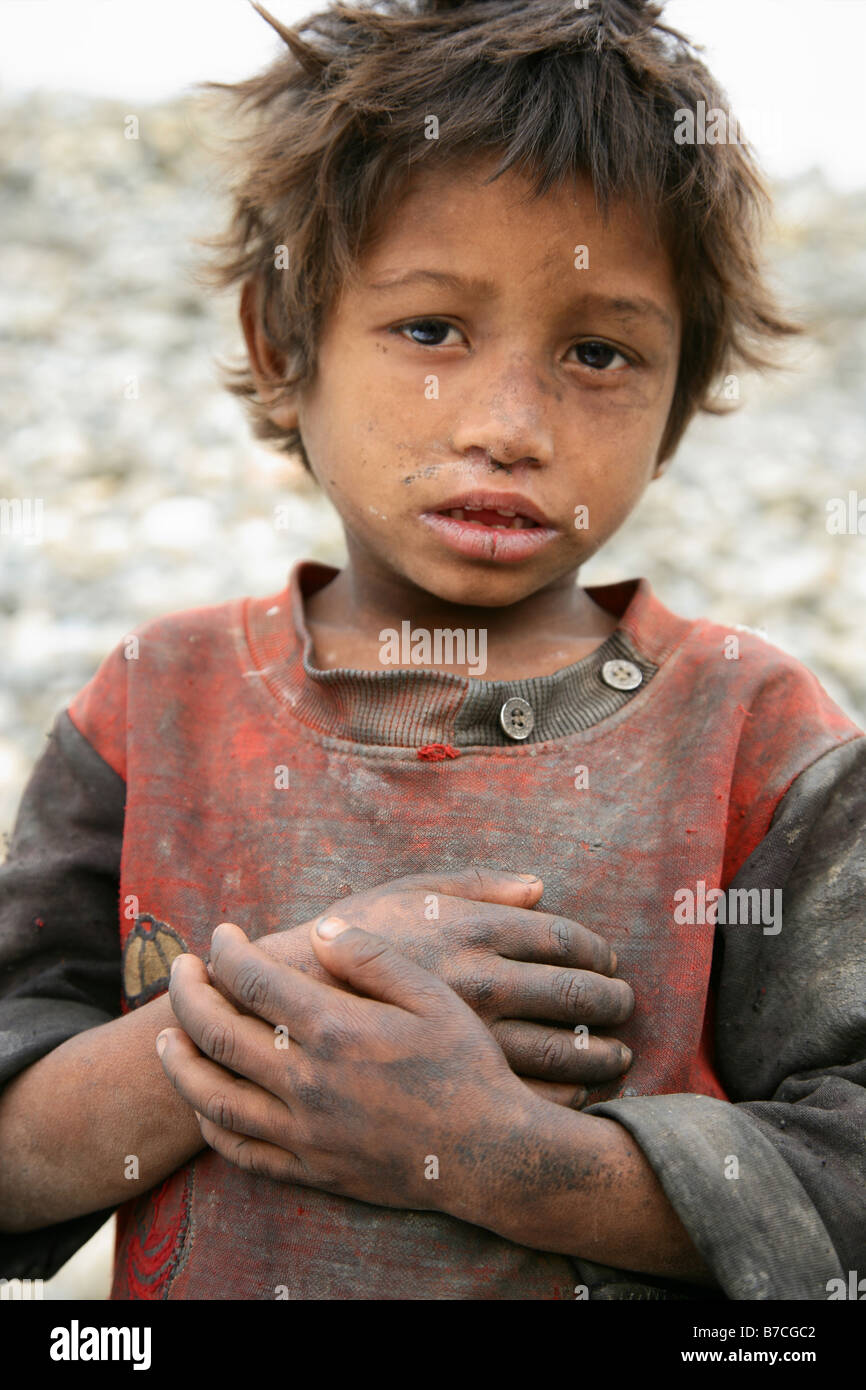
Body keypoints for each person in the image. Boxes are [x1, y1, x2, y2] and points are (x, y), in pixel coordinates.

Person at [0, 0, 863, 1301]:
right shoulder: (153, 709)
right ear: (281, 346)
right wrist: (281, 1003)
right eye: (430, 331)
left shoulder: (757, 739)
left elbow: (844, 1179)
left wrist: (491, 1156)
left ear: (677, 402)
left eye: (595, 351)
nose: (507, 424)